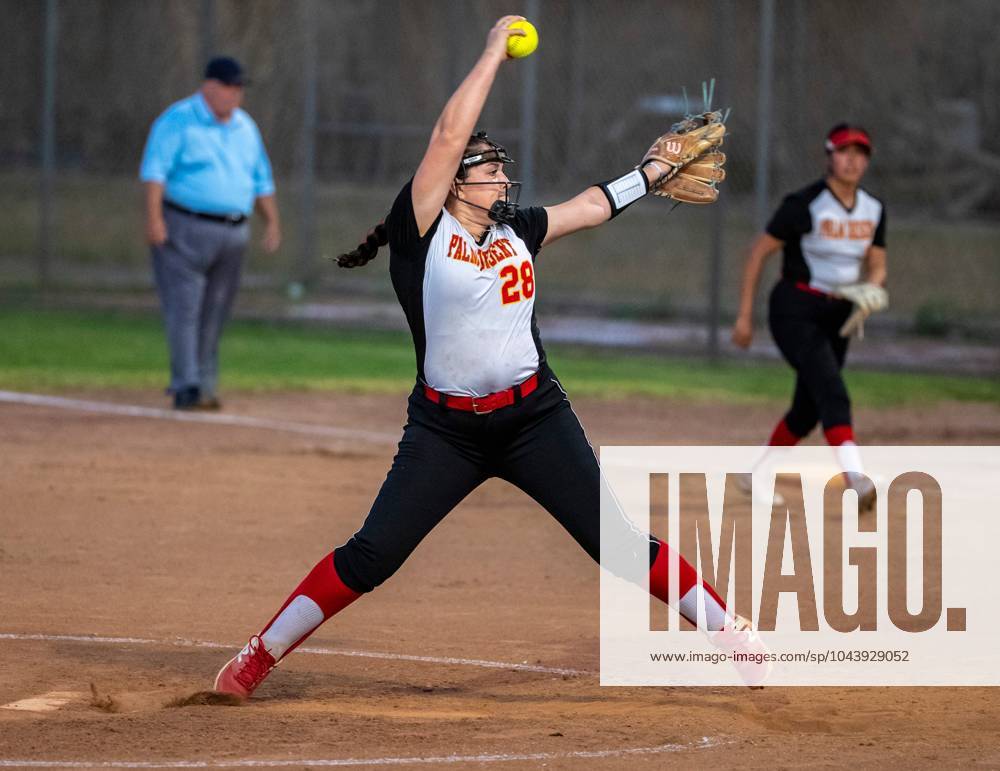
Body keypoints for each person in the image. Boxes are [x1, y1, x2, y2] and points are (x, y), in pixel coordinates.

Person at [212, 16, 764, 698]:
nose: (505, 177)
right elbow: (448, 135)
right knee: (373, 553)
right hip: (446, 432)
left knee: (615, 542)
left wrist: (648, 174)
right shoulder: (421, 231)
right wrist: (494, 50)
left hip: (534, 417)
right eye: (491, 167)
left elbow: (590, 206)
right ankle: (257, 654)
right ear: (452, 184)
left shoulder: (517, 231)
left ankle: (729, 631)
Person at [732, 123, 888, 509]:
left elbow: (878, 264)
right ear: (829, 156)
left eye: (860, 153)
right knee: (832, 390)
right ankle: (856, 478)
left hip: (839, 314)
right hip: (795, 309)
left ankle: (756, 473)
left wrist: (873, 288)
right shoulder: (804, 204)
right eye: (844, 151)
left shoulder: (873, 209)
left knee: (807, 410)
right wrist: (745, 315)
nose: (852, 160)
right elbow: (757, 252)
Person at [139, 56, 281, 410]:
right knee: (185, 308)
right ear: (209, 86)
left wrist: (272, 222)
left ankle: (204, 384)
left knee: (215, 310)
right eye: (229, 87)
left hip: (233, 231)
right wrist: (154, 219)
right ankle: (186, 385)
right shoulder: (178, 120)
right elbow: (155, 171)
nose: (235, 95)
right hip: (184, 226)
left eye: (239, 88)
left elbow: (261, 180)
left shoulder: (245, 127)